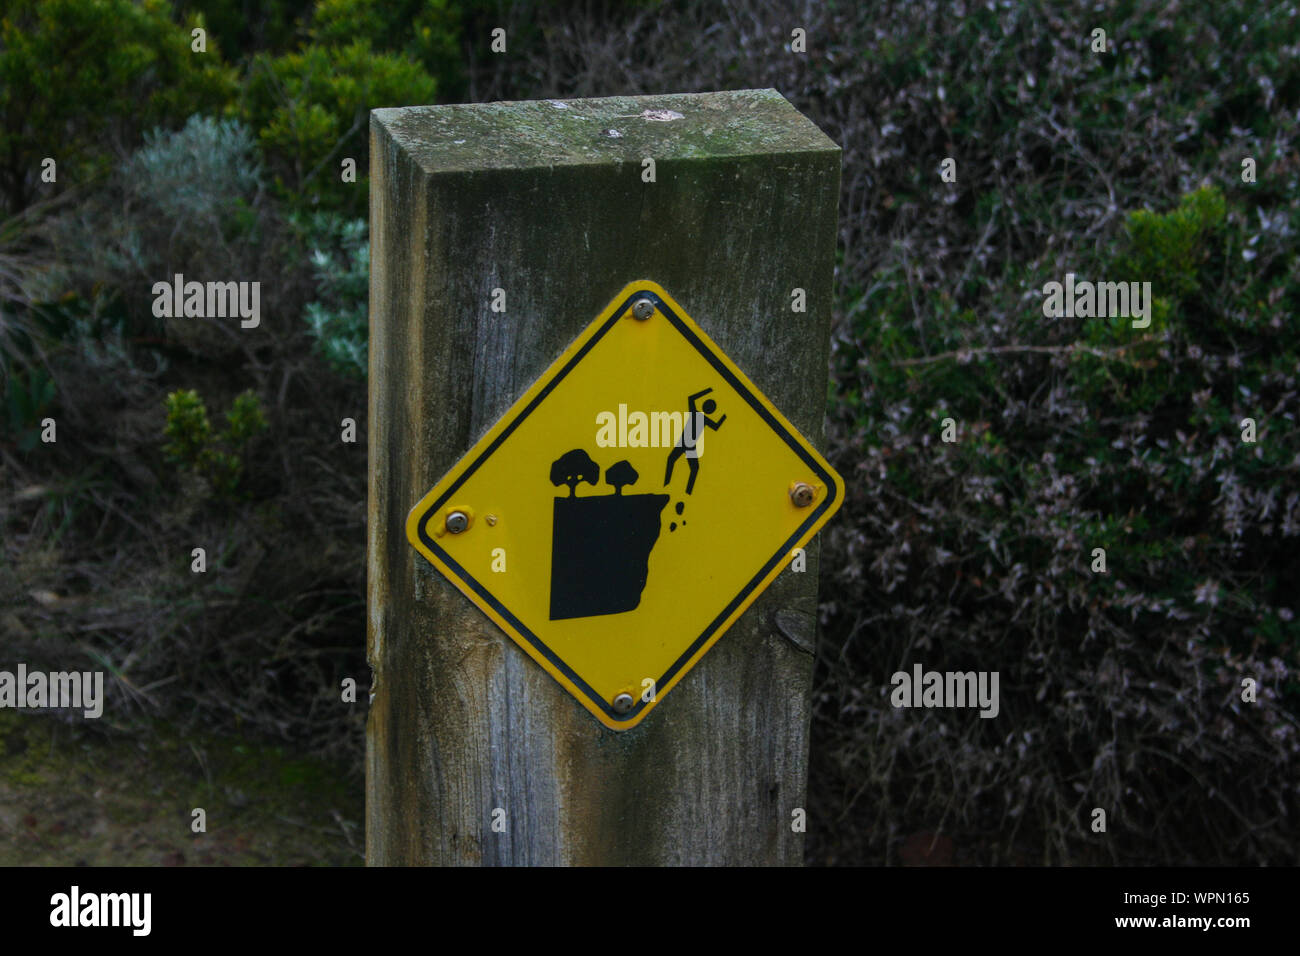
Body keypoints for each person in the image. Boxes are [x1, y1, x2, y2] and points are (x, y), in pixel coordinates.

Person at [663, 387, 726, 495]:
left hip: (689, 445)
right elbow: (691, 398)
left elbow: (715, 427)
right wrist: (707, 391)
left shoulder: (699, 416)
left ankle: (686, 492)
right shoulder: (696, 414)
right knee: (674, 460)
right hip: (686, 443)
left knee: (690, 467)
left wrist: (724, 416)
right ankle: (668, 485)